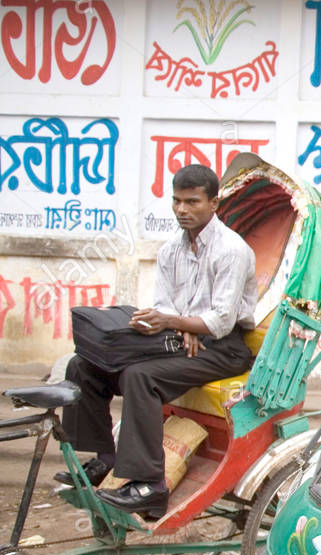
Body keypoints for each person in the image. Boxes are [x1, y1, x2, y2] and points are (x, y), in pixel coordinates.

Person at [59, 164, 257, 519]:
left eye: (192, 202)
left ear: (214, 203)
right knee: (83, 365)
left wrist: (180, 323)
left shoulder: (232, 250)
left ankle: (150, 485)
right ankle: (104, 459)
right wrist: (178, 325)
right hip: (182, 338)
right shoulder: (170, 251)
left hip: (226, 348)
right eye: (177, 201)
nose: (182, 210)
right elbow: (165, 304)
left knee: (140, 376)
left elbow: (222, 321)